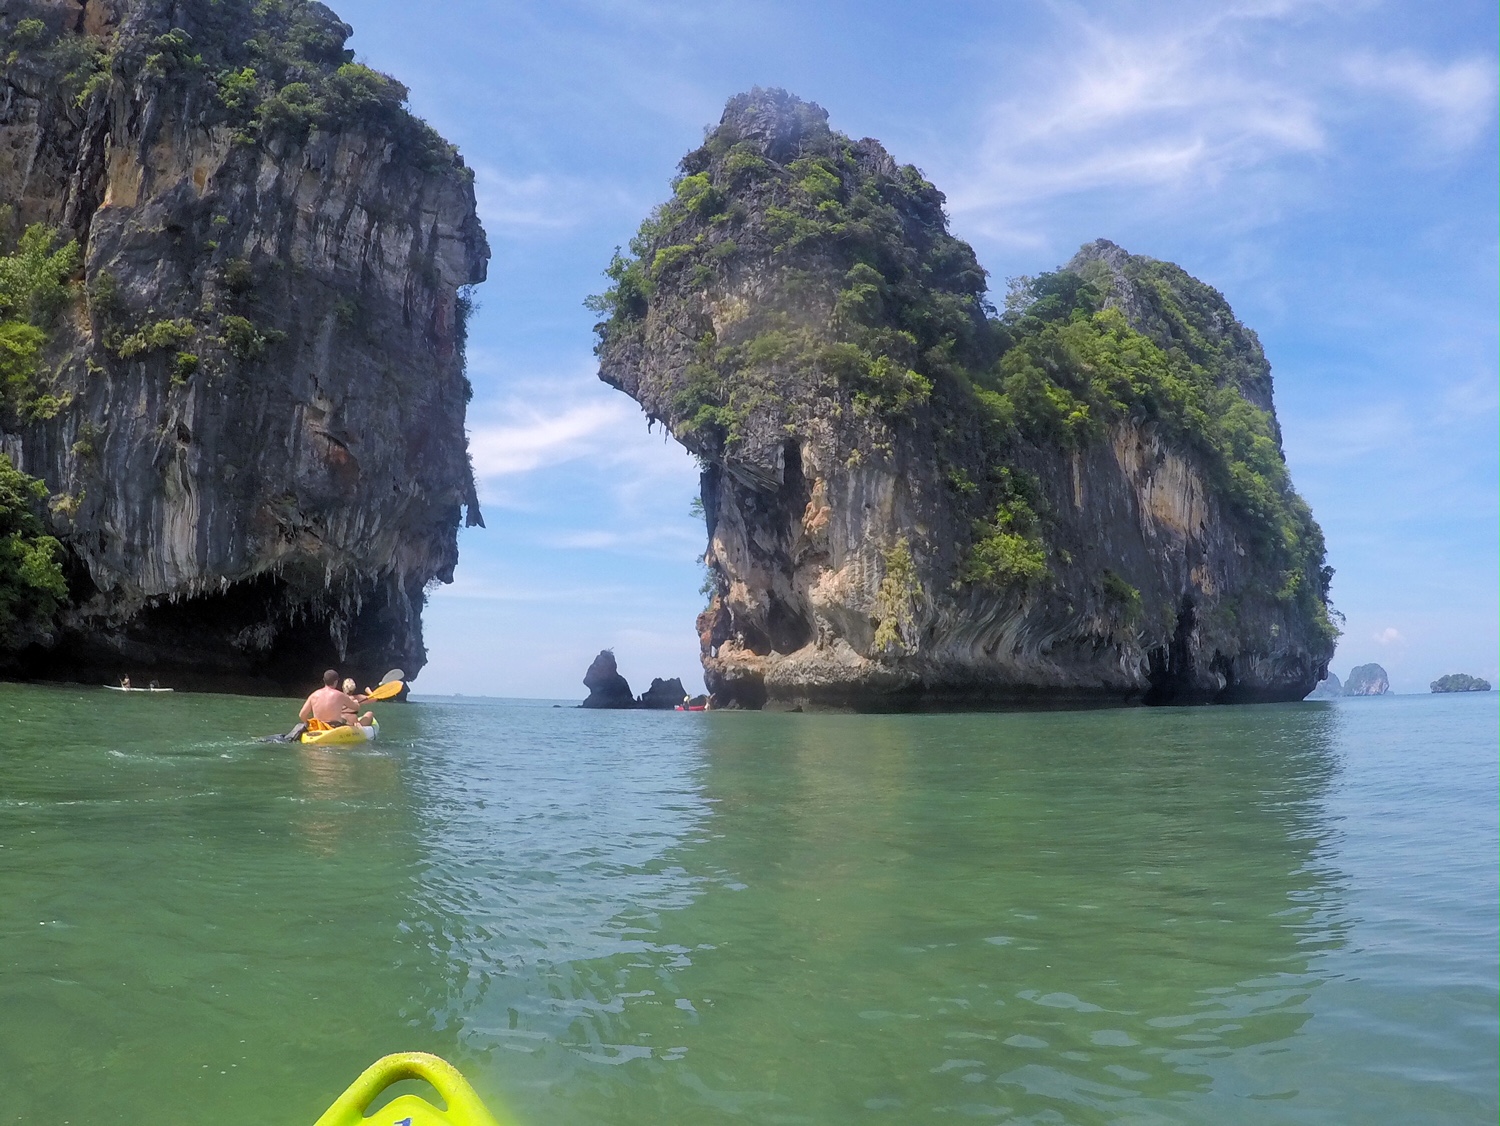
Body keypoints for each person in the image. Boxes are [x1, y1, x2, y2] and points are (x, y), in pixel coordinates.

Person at [299, 669, 374, 730]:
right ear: (336, 682)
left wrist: (309, 723)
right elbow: (356, 707)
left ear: (324, 680)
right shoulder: (340, 695)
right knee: (369, 714)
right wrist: (356, 702)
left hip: (319, 728)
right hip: (334, 728)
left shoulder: (313, 695)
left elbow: (302, 715)